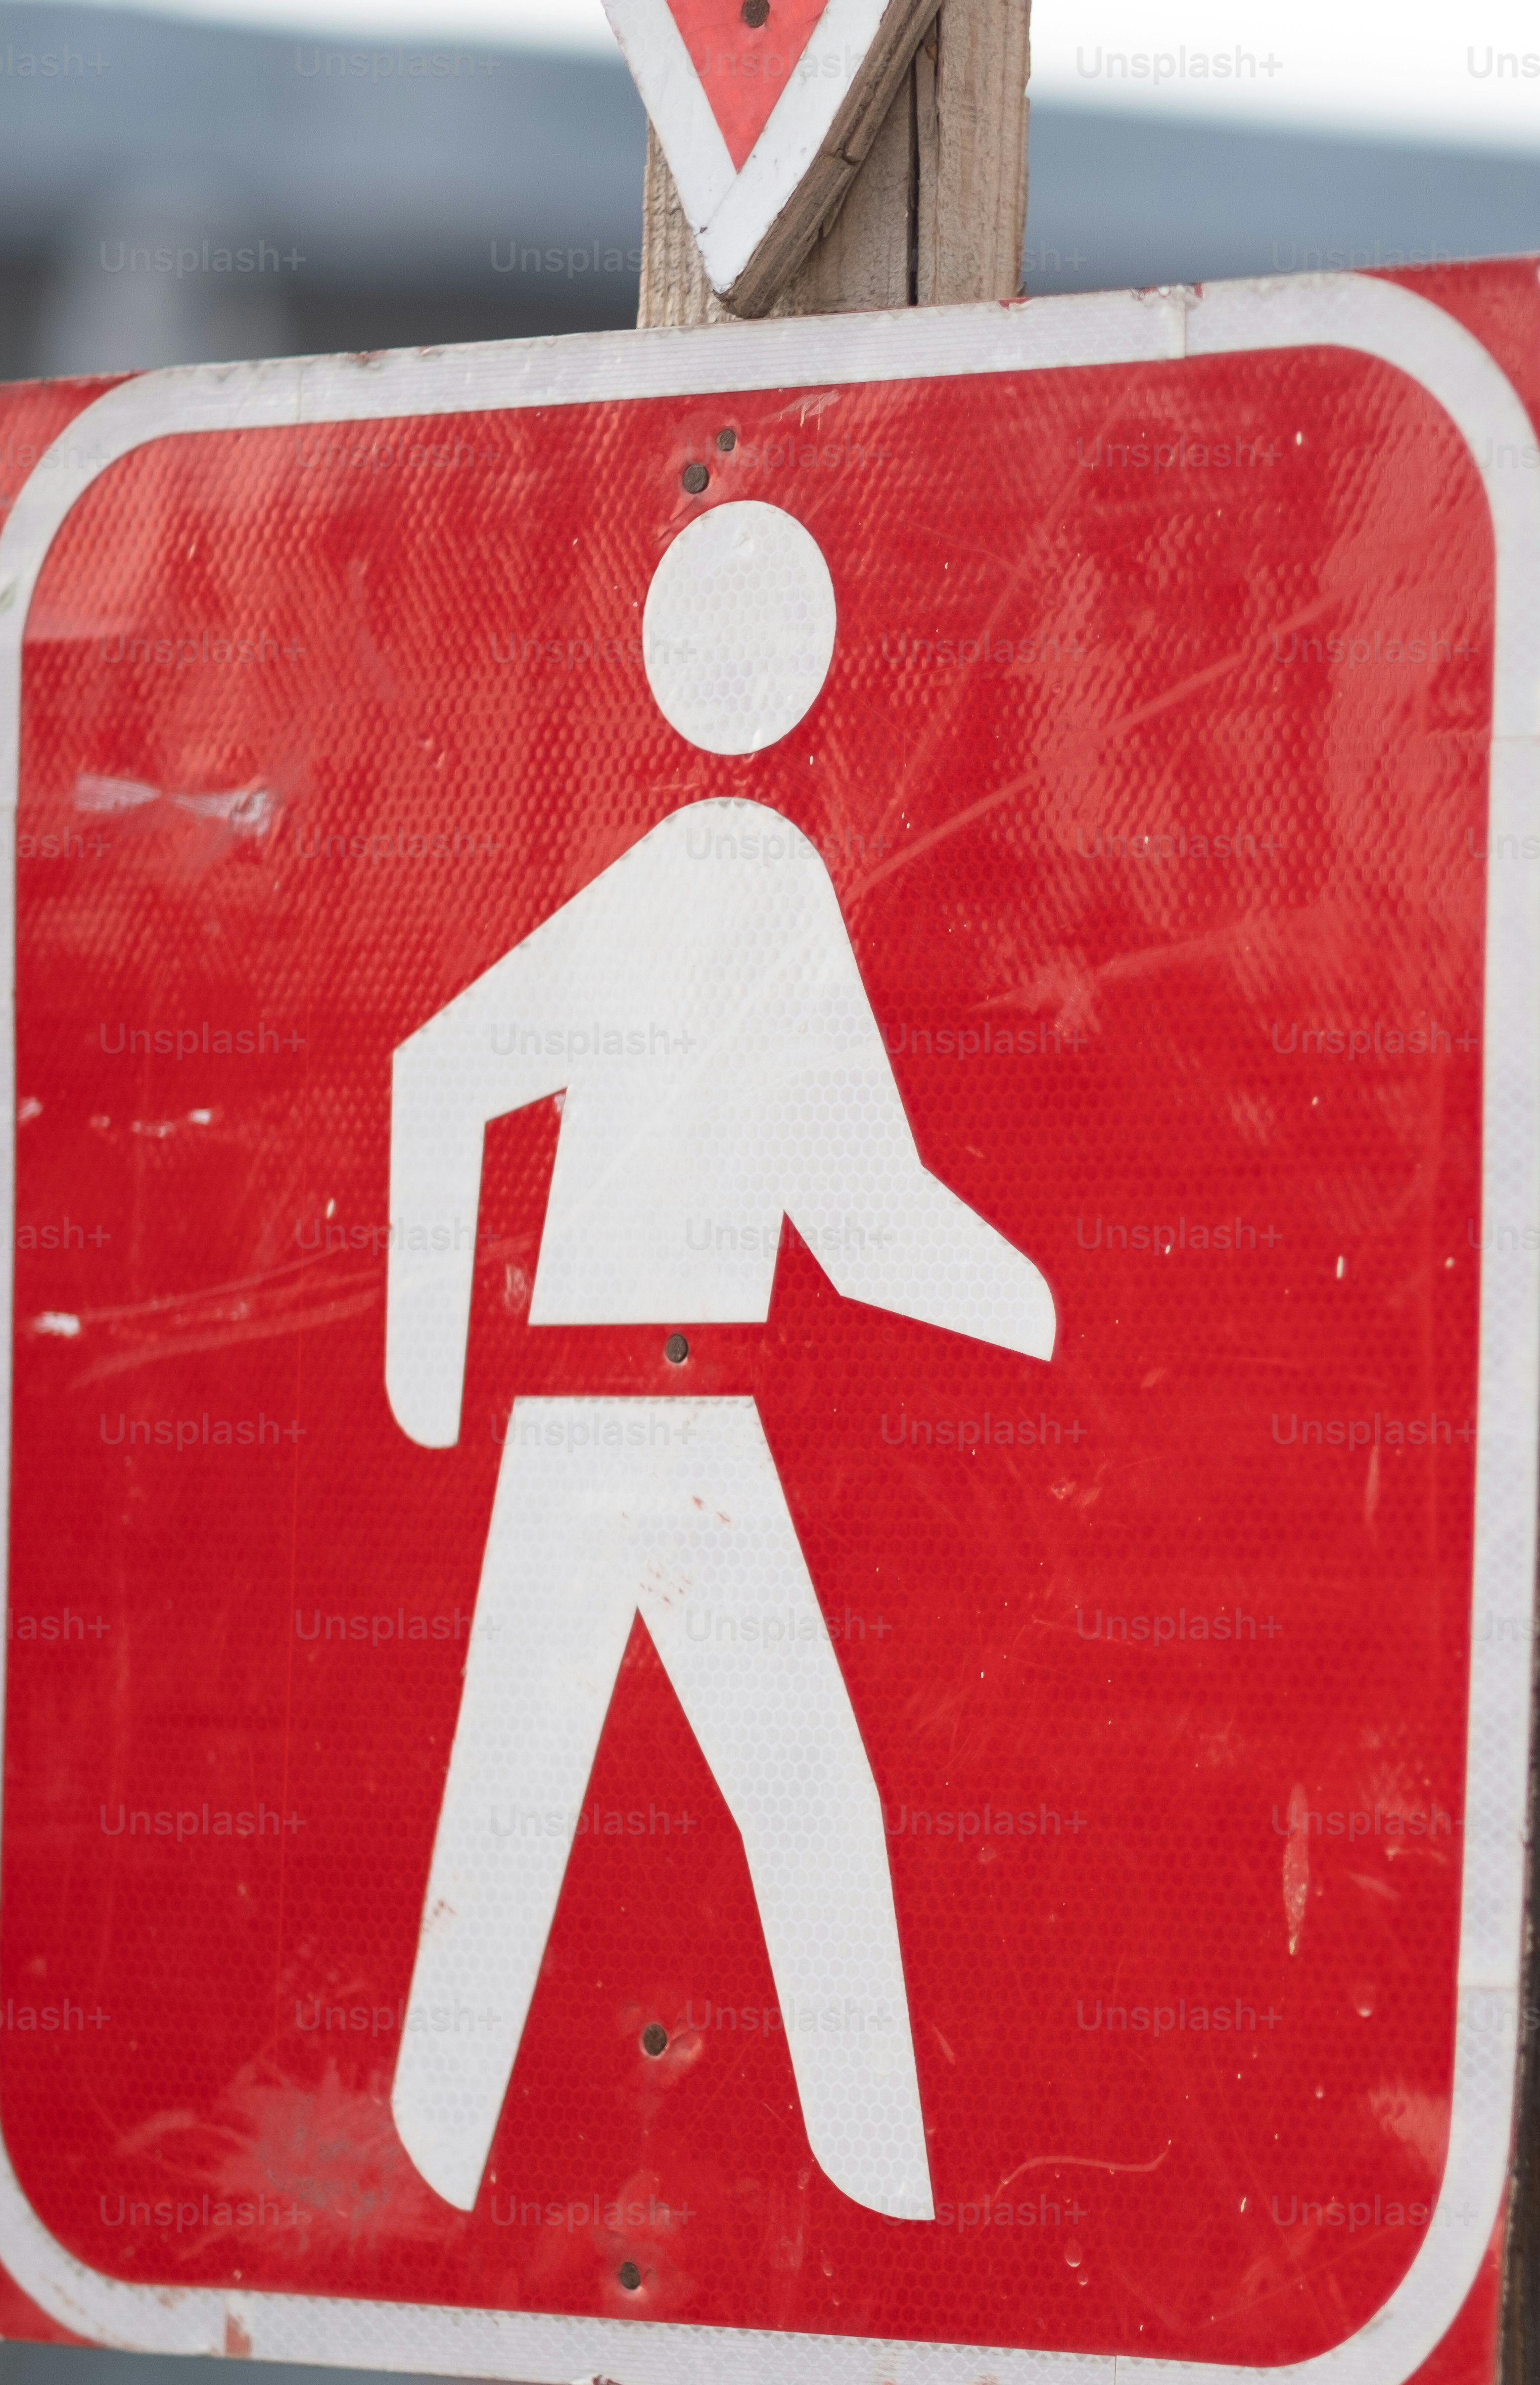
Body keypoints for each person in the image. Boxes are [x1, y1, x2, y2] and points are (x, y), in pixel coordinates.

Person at [377, 501, 1053, 2224]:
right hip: (658, 1427)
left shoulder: (713, 873)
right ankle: (888, 2199)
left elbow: (848, 1211)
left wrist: (451, 1383)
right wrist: (1051, 1314)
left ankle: (440, 2161)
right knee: (782, 1799)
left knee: (536, 1815)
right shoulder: (735, 877)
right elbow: (864, 1215)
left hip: (619, 1425)